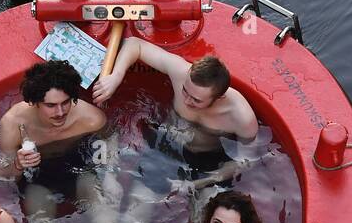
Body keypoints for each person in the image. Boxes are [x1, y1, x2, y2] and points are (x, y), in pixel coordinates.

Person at [91, 38, 259, 181]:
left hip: (208, 162)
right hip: (165, 144)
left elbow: (246, 160)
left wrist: (201, 182)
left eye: (196, 100)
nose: (186, 100)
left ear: (219, 98)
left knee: (204, 206)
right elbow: (135, 44)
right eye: (185, 91)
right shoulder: (180, 72)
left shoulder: (241, 118)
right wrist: (116, 77)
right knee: (139, 200)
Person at [0, 60, 107, 192]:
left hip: (81, 166)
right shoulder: (12, 125)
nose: (60, 112)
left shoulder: (91, 119)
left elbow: (108, 143)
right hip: (37, 179)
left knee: (102, 205)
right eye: (51, 105)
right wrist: (18, 165)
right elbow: (1, 177)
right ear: (34, 102)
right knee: (39, 210)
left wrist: (110, 176)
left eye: (65, 102)